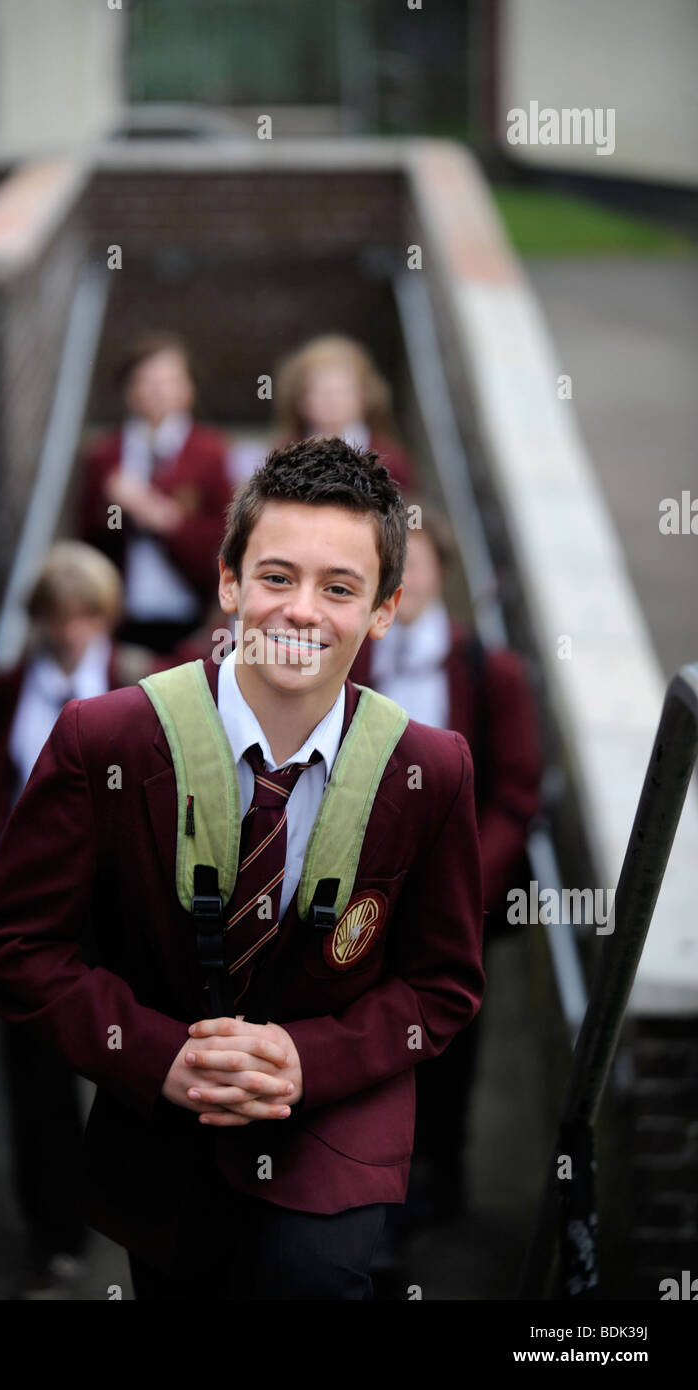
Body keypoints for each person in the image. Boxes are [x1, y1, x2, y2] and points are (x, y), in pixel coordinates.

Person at [0, 438, 484, 1301]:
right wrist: (156, 1055)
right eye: (276, 577)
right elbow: (16, 944)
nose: (302, 612)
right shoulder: (109, 739)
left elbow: (441, 986)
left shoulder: (431, 768)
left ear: (386, 610)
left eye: (340, 588)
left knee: (307, 1280)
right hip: (166, 1125)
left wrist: (305, 1058)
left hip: (336, 1116)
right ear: (228, 584)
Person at [0, 540, 150, 1296]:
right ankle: (55, 1232)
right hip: (31, 906)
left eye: (85, 617)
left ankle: (128, 1212)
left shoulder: (136, 685)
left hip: (114, 904)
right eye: (56, 618)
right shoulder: (3, 689)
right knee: (32, 1072)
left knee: (126, 1054)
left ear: (105, 618)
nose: (70, 633)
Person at [349, 502, 542, 1226]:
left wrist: (464, 888)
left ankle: (439, 1176)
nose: (405, 576)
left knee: (451, 1042)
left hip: (460, 899)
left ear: (440, 574)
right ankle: (371, 1176)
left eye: (417, 561)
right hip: (364, 895)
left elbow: (517, 794)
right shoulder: (354, 657)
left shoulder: (490, 671)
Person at [79, 331, 233, 655]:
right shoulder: (107, 454)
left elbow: (222, 541)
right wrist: (116, 510)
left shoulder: (209, 451)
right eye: (146, 381)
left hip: (191, 614)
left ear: (187, 389)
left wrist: (157, 515)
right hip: (122, 615)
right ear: (129, 392)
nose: (158, 391)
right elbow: (90, 537)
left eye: (169, 380)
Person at [274, 334, 419, 491]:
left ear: (365, 397)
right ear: (300, 399)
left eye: (342, 391)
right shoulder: (284, 455)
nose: (332, 402)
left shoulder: (391, 461)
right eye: (320, 392)